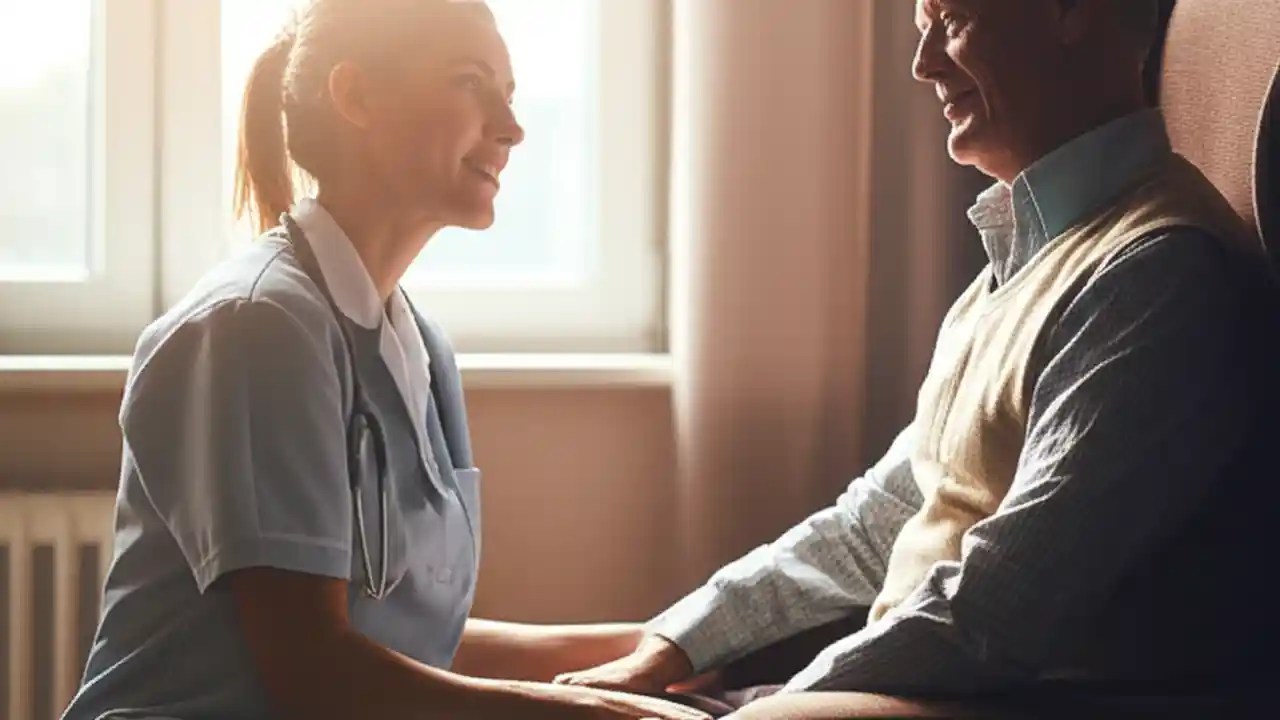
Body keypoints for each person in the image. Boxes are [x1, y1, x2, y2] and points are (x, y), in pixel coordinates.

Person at [559, 0, 1278, 715]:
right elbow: (874, 524)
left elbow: (999, 612)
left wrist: (770, 704)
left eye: (951, 17)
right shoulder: (1022, 265)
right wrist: (673, 647)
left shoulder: (1157, 276)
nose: (923, 62)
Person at [61, 2, 708, 719]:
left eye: (511, 94)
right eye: (471, 83)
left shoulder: (419, 347)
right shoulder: (259, 328)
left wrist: (681, 646)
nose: (511, 128)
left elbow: (417, 647)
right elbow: (318, 672)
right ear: (356, 96)